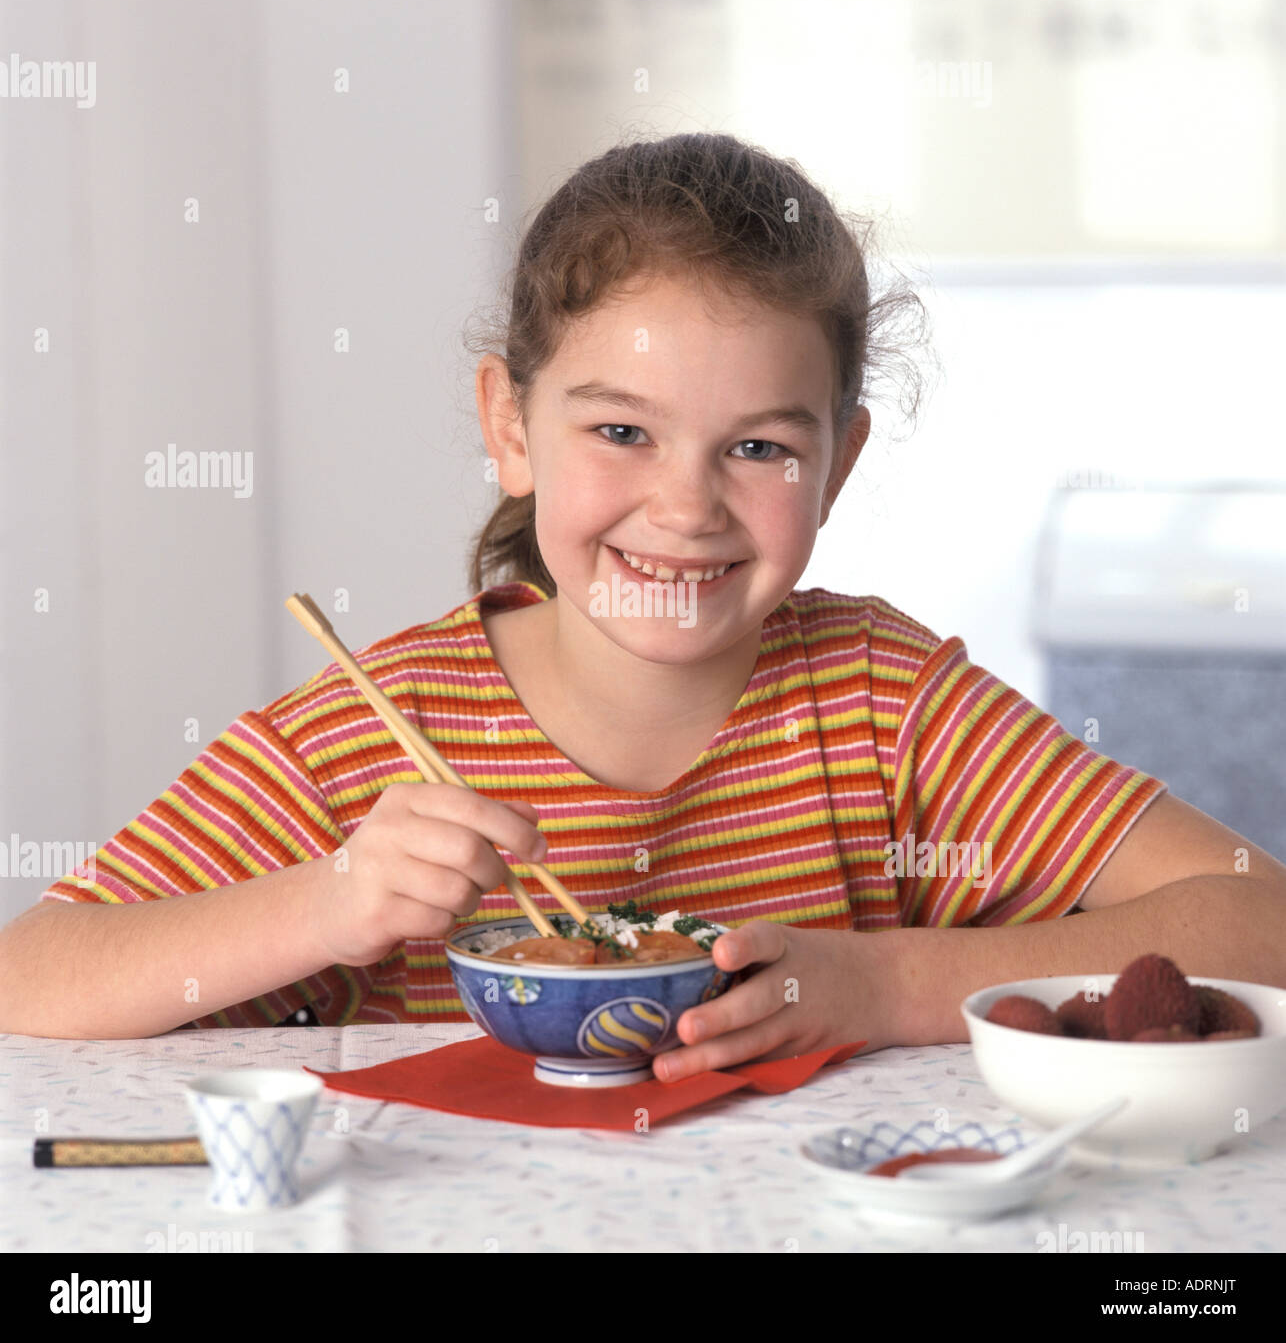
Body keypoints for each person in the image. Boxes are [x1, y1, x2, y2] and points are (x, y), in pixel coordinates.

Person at [5, 132, 1285, 1074]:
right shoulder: (372, 732)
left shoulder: (881, 705)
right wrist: (328, 900)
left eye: (759, 450)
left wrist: (883, 980)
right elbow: (29, 980)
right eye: (621, 429)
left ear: (833, 467)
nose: (685, 508)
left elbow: (1257, 916)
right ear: (509, 426)